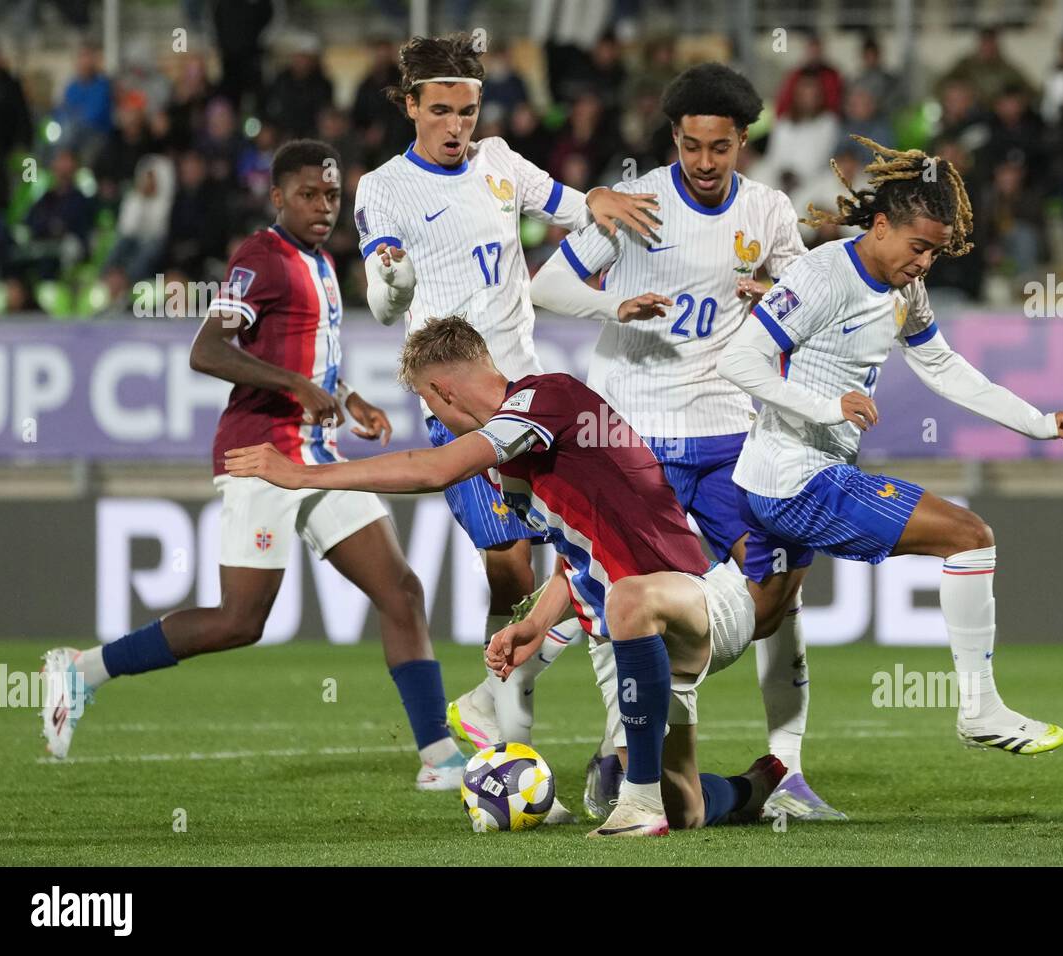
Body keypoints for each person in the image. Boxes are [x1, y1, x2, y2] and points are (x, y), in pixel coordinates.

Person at [225, 315, 787, 838]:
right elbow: (579, 554)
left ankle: (637, 803)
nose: (434, 416)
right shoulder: (518, 457)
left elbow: (437, 468)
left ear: (442, 391)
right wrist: (537, 623)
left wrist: (304, 475)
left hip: (703, 598)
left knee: (629, 599)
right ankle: (752, 787)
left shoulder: (546, 396)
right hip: (652, 625)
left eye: (427, 401)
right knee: (684, 803)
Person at [39, 141, 462, 792]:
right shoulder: (260, 258)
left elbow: (306, 355)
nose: (323, 209)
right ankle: (84, 668)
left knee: (401, 590)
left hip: (315, 454)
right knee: (241, 621)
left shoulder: (320, 261)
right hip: (260, 454)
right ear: (277, 198)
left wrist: (347, 398)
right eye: (308, 196)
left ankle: (439, 757)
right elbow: (207, 349)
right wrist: (296, 386)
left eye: (331, 197)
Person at [528, 62, 845, 821]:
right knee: (635, 601)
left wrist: (778, 295)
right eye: (693, 146)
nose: (706, 163)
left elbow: (813, 298)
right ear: (674, 138)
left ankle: (780, 770)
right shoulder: (635, 206)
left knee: (777, 600)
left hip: (735, 436)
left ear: (744, 142)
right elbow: (545, 287)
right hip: (637, 439)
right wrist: (614, 305)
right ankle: (631, 760)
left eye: (722, 148)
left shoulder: (768, 211)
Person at [717, 136, 1063, 756]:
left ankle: (646, 668)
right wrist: (826, 407)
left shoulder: (903, 289)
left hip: (784, 478)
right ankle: (980, 709)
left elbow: (942, 365)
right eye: (918, 247)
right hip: (795, 476)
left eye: (935, 254)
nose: (924, 264)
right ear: (882, 225)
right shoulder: (822, 274)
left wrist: (1039, 423)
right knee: (969, 537)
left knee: (759, 620)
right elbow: (740, 359)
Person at [353, 34, 659, 781]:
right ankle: (506, 704)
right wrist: (391, 283)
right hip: (461, 406)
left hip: (534, 396)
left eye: (468, 109)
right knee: (514, 565)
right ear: (410, 106)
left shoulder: (497, 162)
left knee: (596, 556)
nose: (456, 126)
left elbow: (565, 203)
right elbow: (384, 299)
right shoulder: (383, 188)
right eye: (441, 111)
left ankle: (543, 715)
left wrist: (601, 201)